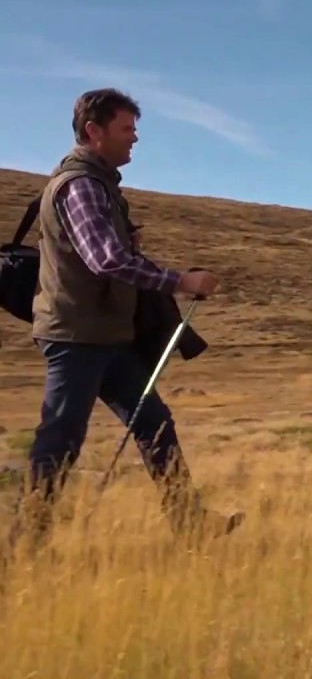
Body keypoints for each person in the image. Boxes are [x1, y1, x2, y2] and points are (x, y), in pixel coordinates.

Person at [8, 88, 243, 551]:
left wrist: (130, 238)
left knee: (155, 423)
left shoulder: (100, 186)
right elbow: (106, 261)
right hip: (75, 336)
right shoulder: (81, 186)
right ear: (94, 132)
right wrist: (181, 281)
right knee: (60, 439)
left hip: (104, 336)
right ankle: (22, 546)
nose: (134, 139)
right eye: (126, 129)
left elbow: (107, 253)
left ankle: (189, 524)